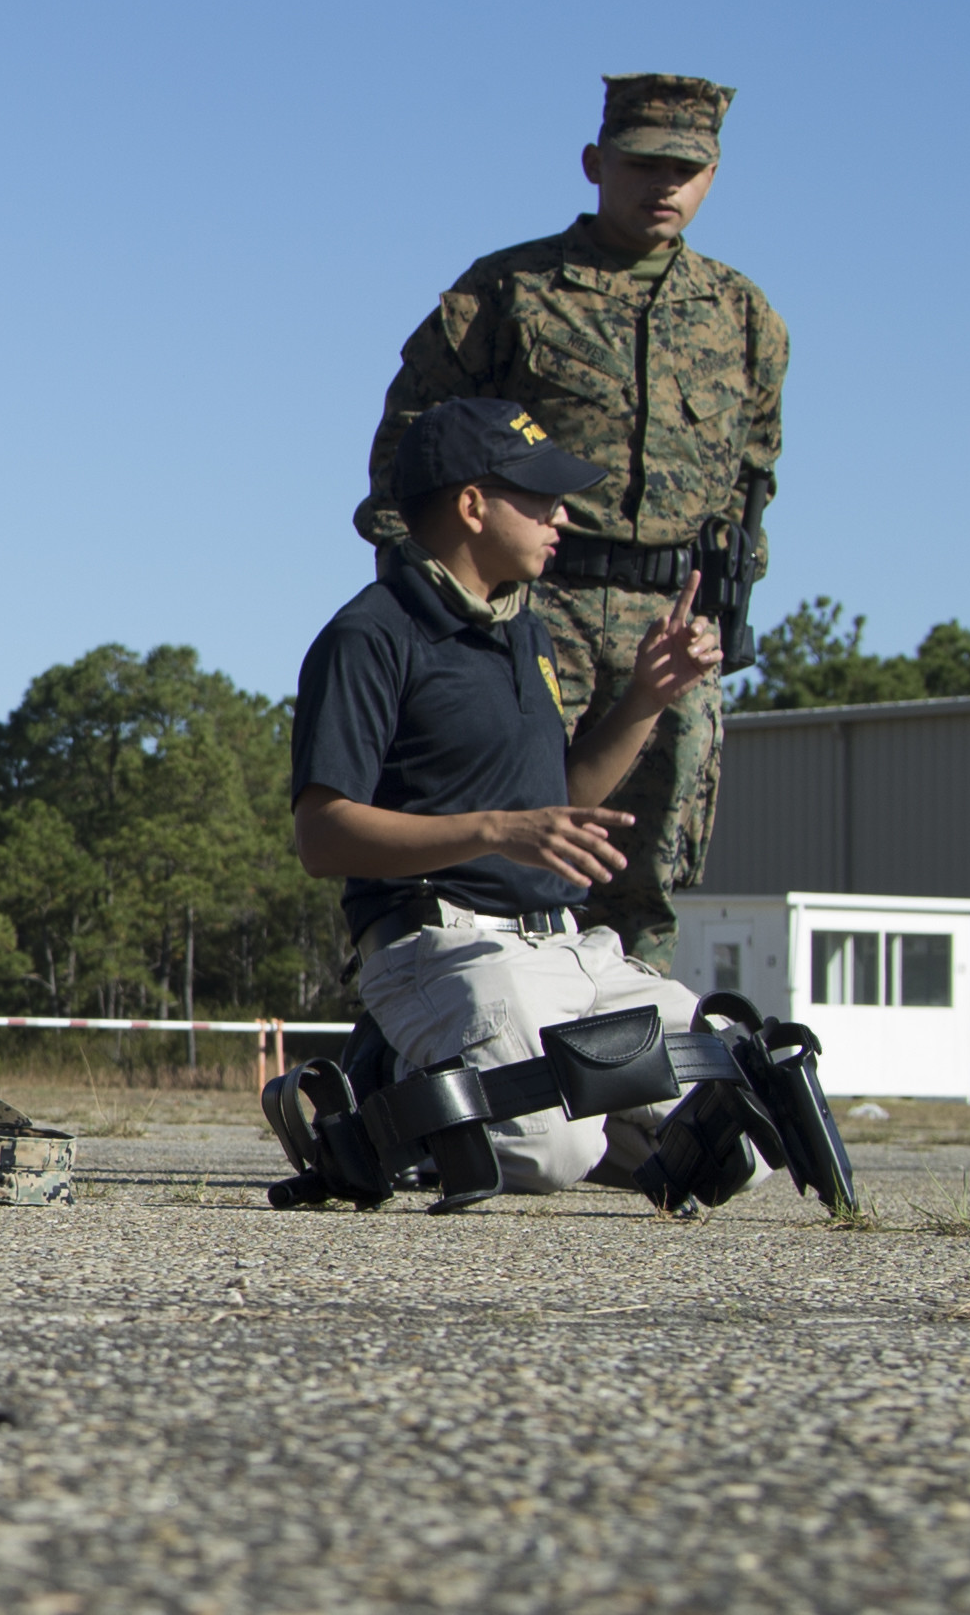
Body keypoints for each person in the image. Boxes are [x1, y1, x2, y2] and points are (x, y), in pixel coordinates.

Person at [353, 73, 783, 968]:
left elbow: (753, 477)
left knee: (647, 872)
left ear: (713, 177)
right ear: (595, 163)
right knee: (499, 858)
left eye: (688, 168)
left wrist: (726, 610)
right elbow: (411, 447)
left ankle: (630, 1082)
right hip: (532, 613)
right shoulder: (509, 292)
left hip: (670, 620)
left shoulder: (744, 318)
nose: (664, 185)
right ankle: (463, 1066)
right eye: (643, 163)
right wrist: (428, 604)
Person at [292, 398, 727, 1196]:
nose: (561, 516)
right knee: (542, 1157)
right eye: (539, 497)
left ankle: (565, 1108)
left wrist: (644, 700)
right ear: (471, 504)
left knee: (739, 1135)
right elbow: (322, 837)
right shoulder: (371, 635)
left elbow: (552, 804)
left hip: (566, 951)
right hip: (442, 949)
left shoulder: (525, 632)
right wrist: (492, 831)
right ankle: (391, 1070)